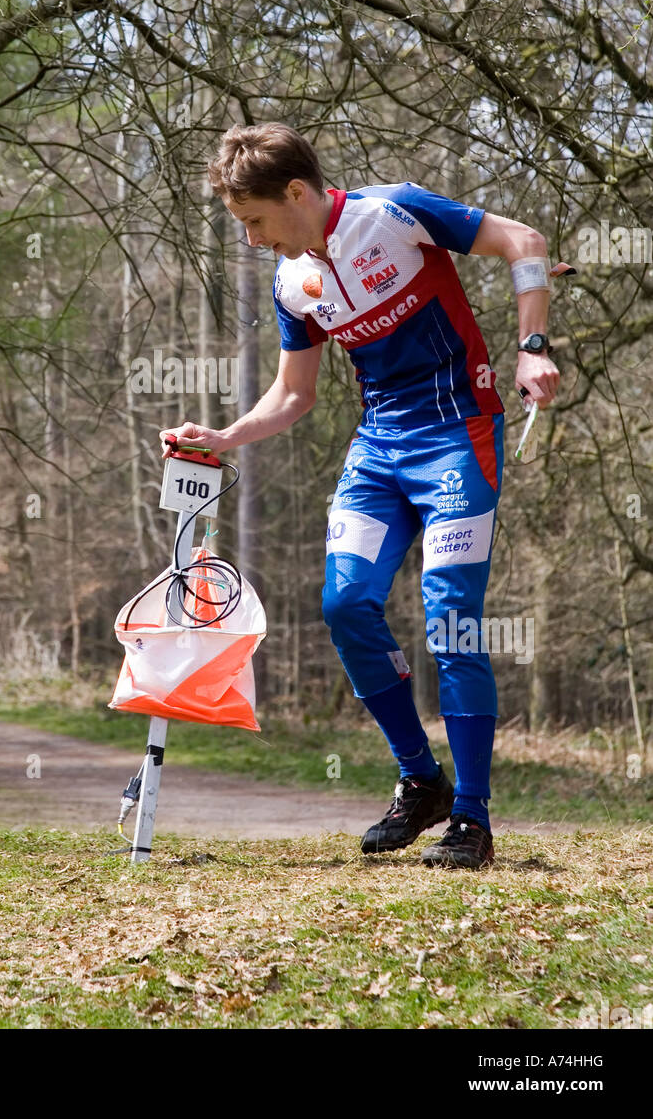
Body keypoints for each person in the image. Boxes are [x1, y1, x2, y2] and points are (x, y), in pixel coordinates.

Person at [159, 122, 560, 868]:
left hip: (458, 439)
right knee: (344, 605)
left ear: (297, 192)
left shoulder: (394, 212)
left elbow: (524, 239)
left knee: (449, 619)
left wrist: (531, 343)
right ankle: (420, 780)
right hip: (377, 452)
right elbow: (292, 394)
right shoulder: (293, 282)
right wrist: (222, 437)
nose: (251, 241)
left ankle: (470, 818)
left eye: (254, 222)